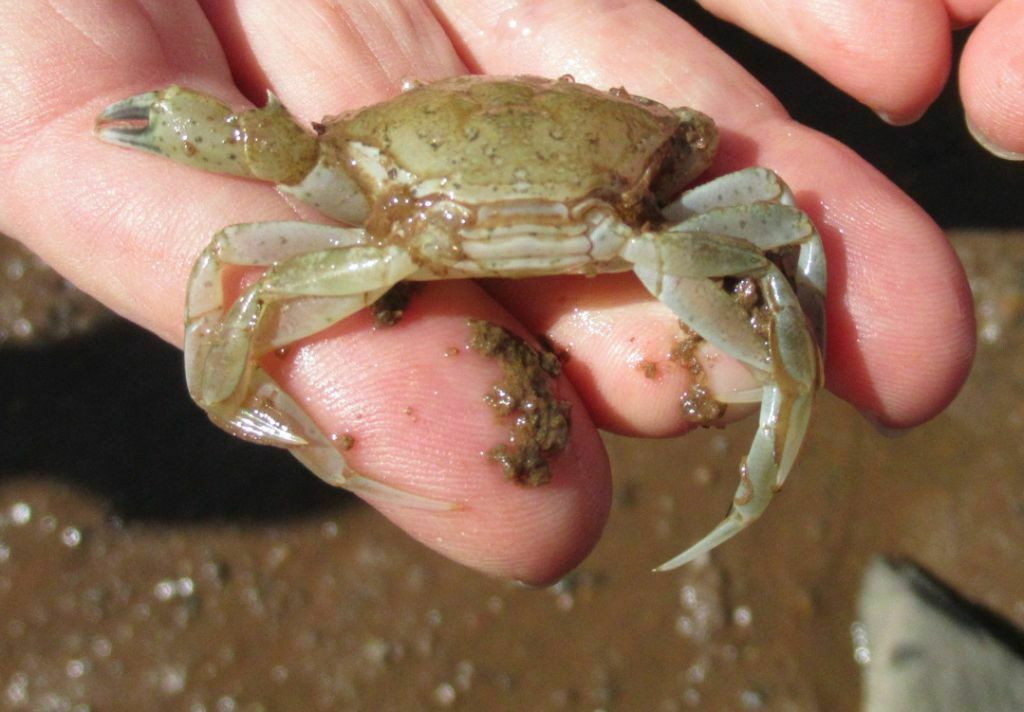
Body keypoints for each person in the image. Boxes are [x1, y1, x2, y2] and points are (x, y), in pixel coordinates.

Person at [1, 0, 1000, 584]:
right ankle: (295, 431)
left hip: (464, 234)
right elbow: (759, 203)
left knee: (240, 280)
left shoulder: (365, 153)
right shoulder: (660, 166)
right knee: (777, 294)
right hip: (608, 232)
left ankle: (295, 430)